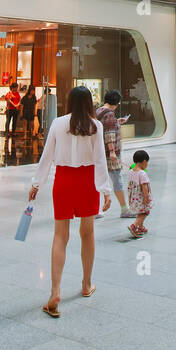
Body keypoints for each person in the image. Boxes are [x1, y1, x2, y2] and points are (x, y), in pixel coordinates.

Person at [27, 85, 112, 316]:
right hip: (87, 182)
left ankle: (55, 291)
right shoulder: (96, 126)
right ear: (89, 103)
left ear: (69, 102)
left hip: (63, 180)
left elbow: (47, 155)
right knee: (88, 234)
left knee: (60, 235)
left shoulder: (58, 123)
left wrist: (37, 183)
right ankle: (86, 285)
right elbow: (99, 160)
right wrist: (105, 190)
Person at [95, 89, 132, 217]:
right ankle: (124, 209)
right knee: (117, 179)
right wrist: (112, 152)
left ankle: (94, 210)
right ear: (116, 103)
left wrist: (117, 122)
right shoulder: (109, 114)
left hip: (99, 152)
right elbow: (109, 134)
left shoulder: (99, 111)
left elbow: (104, 128)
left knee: (98, 180)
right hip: (109, 153)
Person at [126, 150, 152, 238]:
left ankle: (140, 227)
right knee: (145, 212)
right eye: (147, 162)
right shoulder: (142, 173)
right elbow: (144, 187)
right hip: (141, 198)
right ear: (144, 161)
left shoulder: (130, 172)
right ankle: (134, 225)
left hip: (134, 198)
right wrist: (146, 198)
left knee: (140, 211)